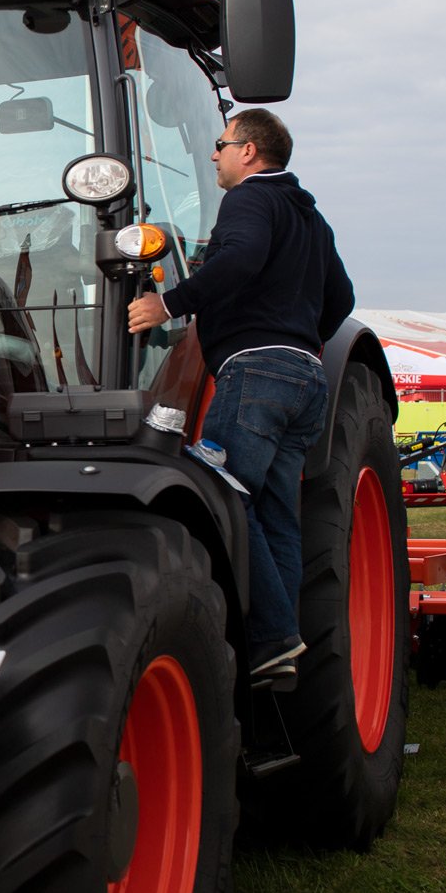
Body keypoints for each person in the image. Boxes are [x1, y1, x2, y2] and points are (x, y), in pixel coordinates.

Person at [127, 108, 354, 681]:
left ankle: (272, 635)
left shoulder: (250, 198)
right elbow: (342, 298)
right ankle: (284, 642)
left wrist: (169, 303)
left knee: (220, 488)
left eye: (221, 145)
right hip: (305, 377)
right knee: (276, 512)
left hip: (255, 372)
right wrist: (297, 333)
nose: (214, 156)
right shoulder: (311, 217)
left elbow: (242, 257)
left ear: (249, 150)